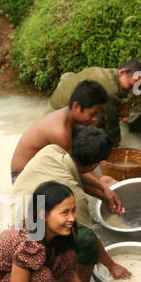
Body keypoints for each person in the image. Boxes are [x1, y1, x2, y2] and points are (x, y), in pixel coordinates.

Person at [10, 126, 132, 282]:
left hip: (14, 219)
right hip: (31, 236)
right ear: (95, 164)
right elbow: (91, 236)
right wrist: (112, 265)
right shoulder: (75, 197)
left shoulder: (50, 151)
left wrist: (104, 190)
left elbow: (74, 174)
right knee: (87, 240)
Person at [11, 80, 124, 218]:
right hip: (24, 175)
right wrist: (103, 191)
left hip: (48, 167)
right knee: (70, 199)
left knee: (103, 181)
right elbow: (74, 174)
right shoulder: (60, 132)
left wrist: (102, 184)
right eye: (93, 113)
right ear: (77, 107)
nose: (95, 119)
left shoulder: (71, 120)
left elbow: (79, 167)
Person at [48, 60, 141, 146]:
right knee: (99, 125)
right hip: (60, 114)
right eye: (131, 86)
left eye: (136, 88)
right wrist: (116, 145)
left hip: (54, 101)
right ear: (123, 72)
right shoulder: (112, 90)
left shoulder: (107, 72)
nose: (132, 91)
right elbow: (112, 125)